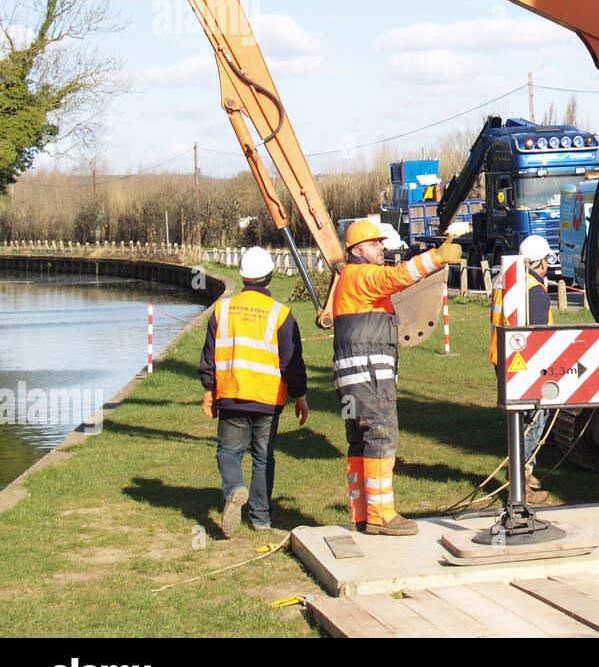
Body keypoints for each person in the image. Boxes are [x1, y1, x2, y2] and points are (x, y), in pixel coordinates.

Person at [333, 220, 460, 536]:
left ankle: (361, 513)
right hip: (370, 375)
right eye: (374, 243)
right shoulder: (363, 277)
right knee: (380, 434)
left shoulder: (349, 280)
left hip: (351, 378)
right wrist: (437, 257)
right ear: (356, 249)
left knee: (359, 441)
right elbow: (400, 276)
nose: (381, 247)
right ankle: (381, 516)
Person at [199, 246, 307, 537]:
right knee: (263, 457)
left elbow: (209, 355)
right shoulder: (281, 313)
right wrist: (300, 395)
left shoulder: (222, 309)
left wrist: (209, 390)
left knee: (229, 452)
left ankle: (235, 488)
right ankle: (261, 519)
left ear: (242, 276)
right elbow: (291, 361)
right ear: (270, 277)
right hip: (268, 400)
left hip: (232, 394)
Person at [489, 234, 554, 505]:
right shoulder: (534, 291)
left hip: (501, 358)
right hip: (525, 365)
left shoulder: (504, 281)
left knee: (522, 419)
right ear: (542, 263)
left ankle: (525, 473)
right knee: (534, 419)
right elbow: (539, 337)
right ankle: (522, 479)